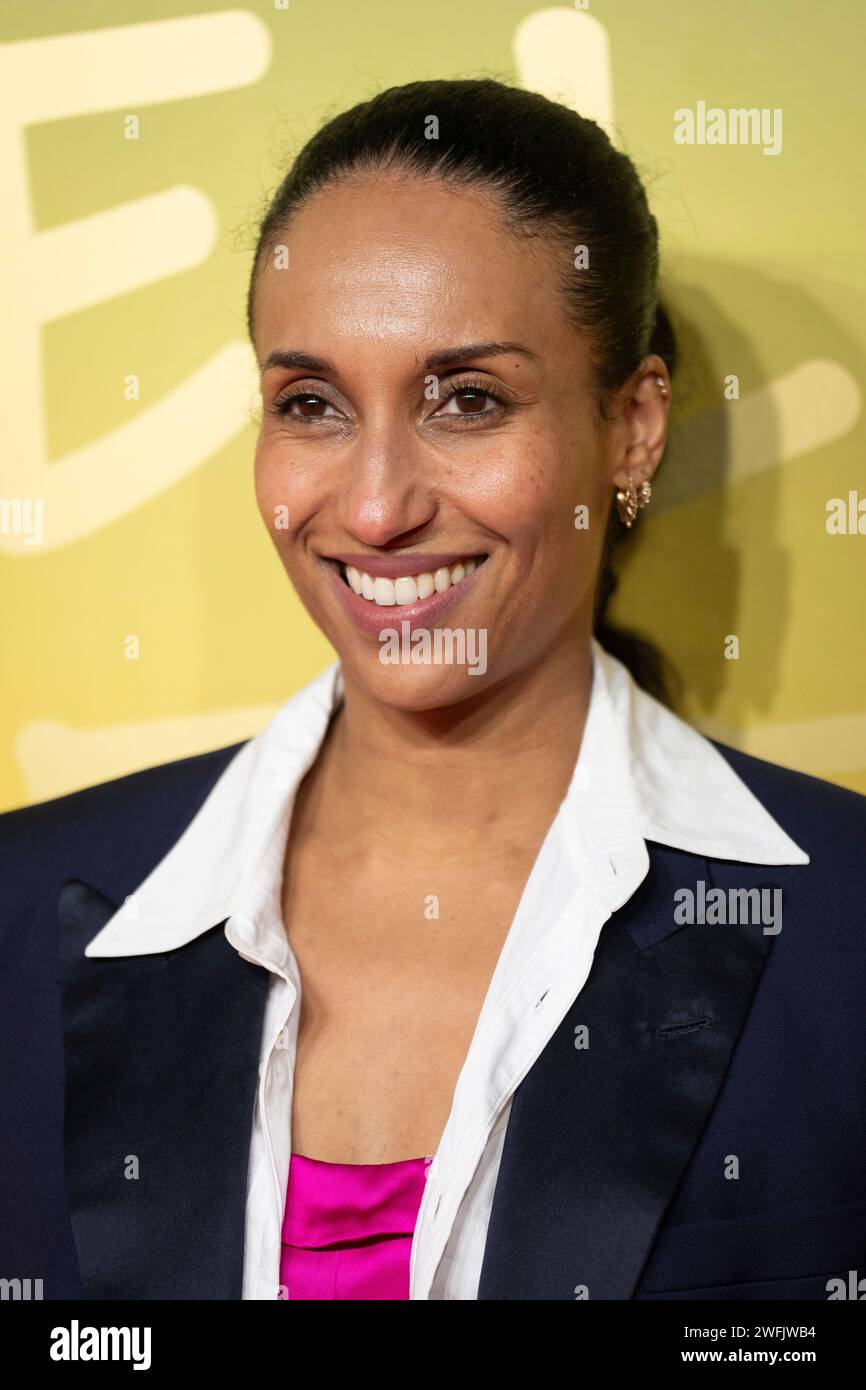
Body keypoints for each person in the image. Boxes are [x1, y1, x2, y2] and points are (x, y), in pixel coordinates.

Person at [2, 79, 864, 1302]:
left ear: (631, 428)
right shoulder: (25, 901)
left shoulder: (845, 931)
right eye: (310, 404)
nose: (370, 508)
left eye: (466, 400)